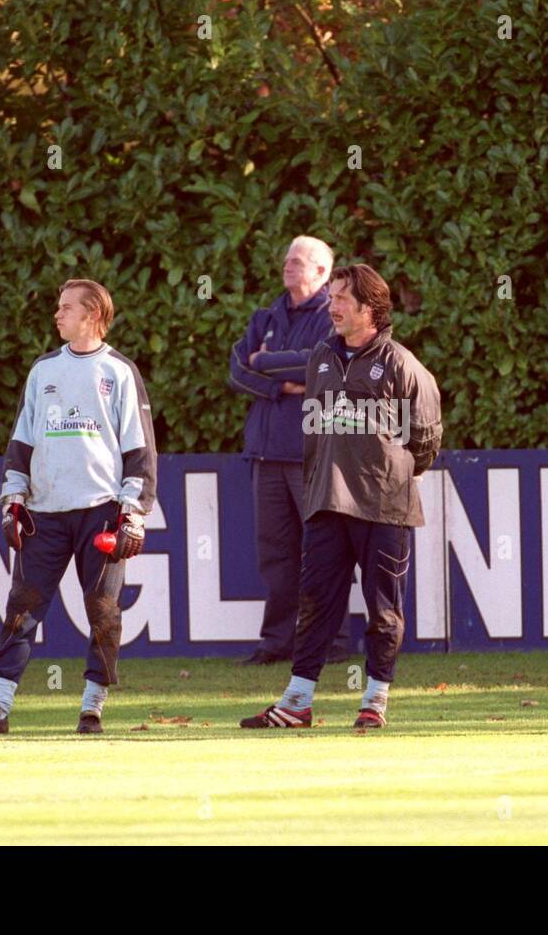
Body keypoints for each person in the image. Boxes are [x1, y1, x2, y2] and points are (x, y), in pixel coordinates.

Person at [0, 279, 156, 735]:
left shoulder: (119, 371)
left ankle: (92, 708)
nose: (56, 315)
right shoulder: (43, 371)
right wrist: (13, 498)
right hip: (44, 512)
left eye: (66, 308)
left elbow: (139, 449)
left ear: (93, 315)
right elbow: (22, 438)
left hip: (101, 510)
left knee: (103, 609)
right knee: (21, 609)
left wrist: (132, 512)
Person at [241, 263, 441, 729]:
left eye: (341, 300)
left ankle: (374, 703)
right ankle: (296, 704)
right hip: (328, 503)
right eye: (330, 298)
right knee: (314, 604)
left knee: (384, 610)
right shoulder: (321, 357)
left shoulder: (403, 365)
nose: (331, 307)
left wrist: (390, 474)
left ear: (368, 309)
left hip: (385, 508)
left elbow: (426, 441)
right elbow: (314, 431)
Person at [228, 236, 349, 665]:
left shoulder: (331, 315)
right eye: (286, 259)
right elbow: (237, 368)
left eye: (297, 261)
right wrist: (281, 384)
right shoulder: (267, 315)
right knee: (276, 555)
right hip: (266, 455)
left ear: (321, 272)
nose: (288, 266)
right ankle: (277, 642)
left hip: (311, 454)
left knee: (321, 549)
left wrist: (266, 363)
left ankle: (331, 642)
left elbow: (319, 366)